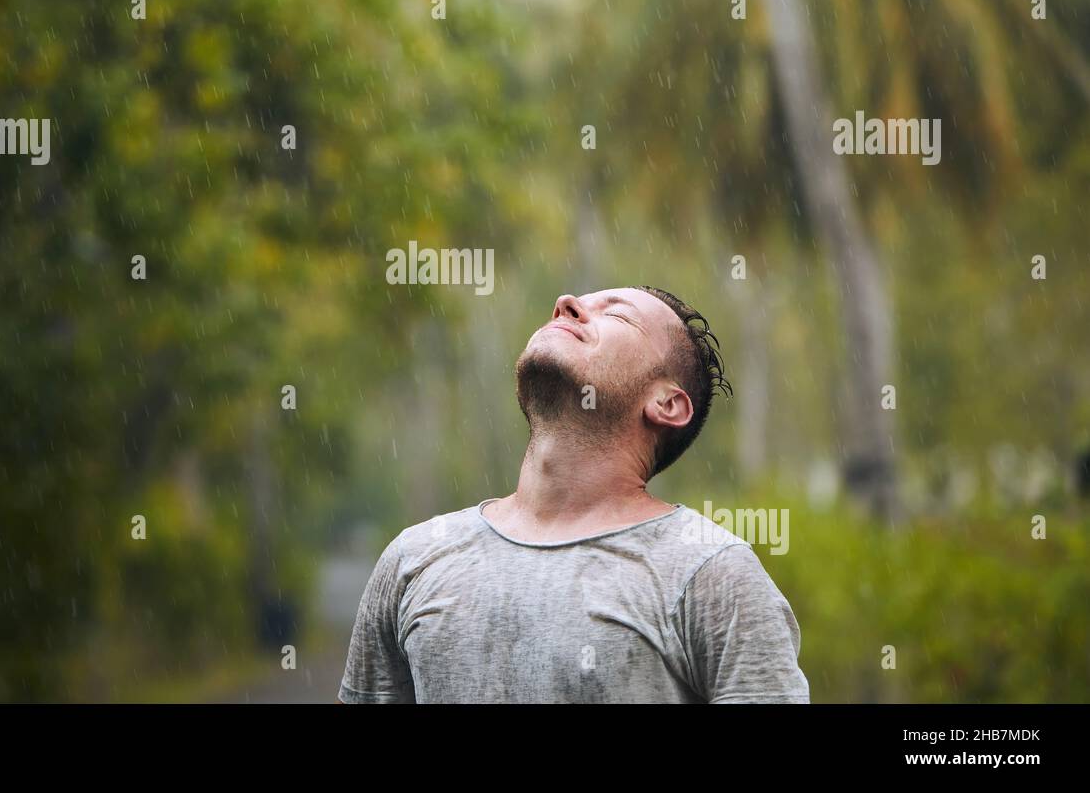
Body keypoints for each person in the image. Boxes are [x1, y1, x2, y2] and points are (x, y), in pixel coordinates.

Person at [337, 286, 810, 703]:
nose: (567, 305)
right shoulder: (413, 558)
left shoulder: (713, 576)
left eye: (618, 314)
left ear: (666, 403)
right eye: (576, 303)